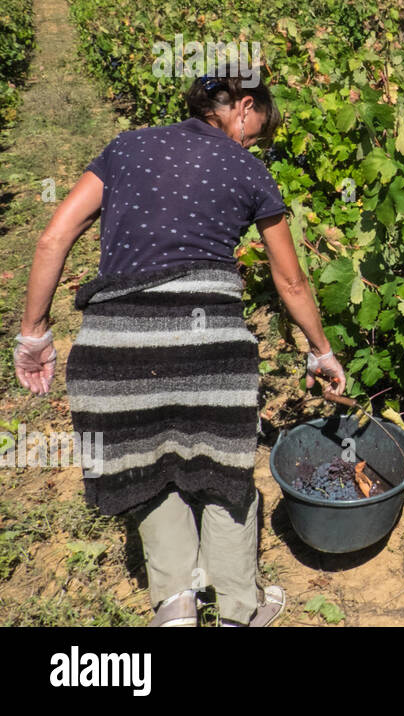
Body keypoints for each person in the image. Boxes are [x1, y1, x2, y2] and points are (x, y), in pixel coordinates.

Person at [13, 72, 347, 627]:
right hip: (207, 349)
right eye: (255, 132)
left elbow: (53, 238)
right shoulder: (249, 169)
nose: (252, 145)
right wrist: (320, 351)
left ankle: (175, 606)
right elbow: (290, 283)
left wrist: (34, 333)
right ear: (243, 107)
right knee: (223, 470)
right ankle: (240, 609)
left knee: (147, 467)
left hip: (114, 351)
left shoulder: (126, 147)